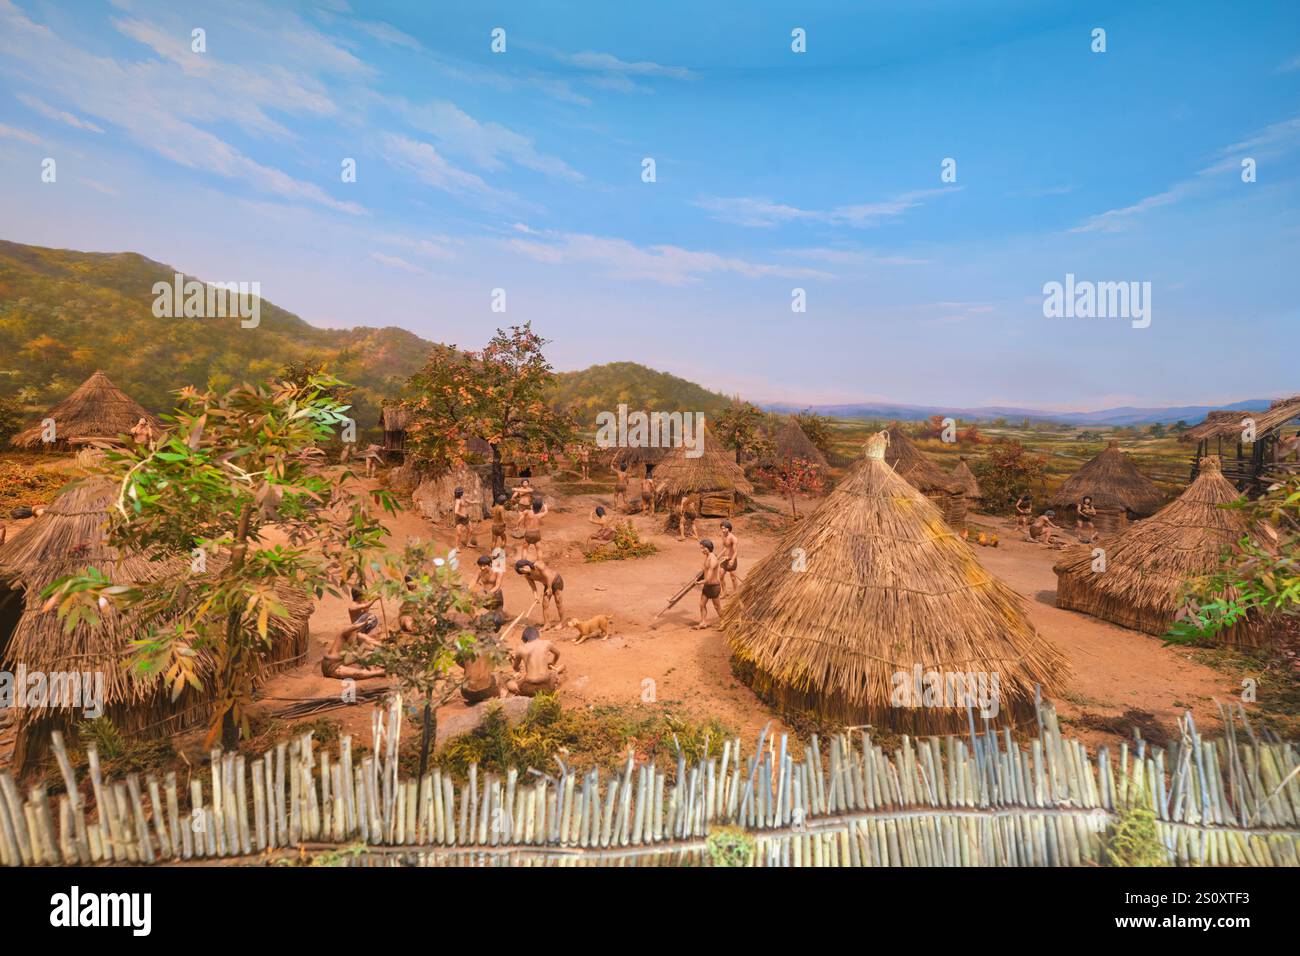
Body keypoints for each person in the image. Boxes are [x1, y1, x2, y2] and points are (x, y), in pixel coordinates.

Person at [321, 617, 387, 680]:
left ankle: (380, 667)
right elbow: (350, 628)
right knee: (358, 673)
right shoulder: (344, 634)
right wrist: (364, 622)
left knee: (369, 652)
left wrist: (386, 647)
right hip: (332, 666)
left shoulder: (359, 635)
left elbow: (373, 642)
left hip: (344, 660)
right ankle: (380, 672)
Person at [506, 626, 564, 697]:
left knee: (509, 683)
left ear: (524, 639)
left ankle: (518, 690)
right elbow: (558, 653)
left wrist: (517, 669)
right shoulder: (547, 643)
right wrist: (553, 662)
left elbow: (515, 667)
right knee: (553, 674)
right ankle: (551, 690)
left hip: (529, 687)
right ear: (538, 635)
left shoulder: (520, 649)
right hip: (547, 686)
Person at [514, 558, 565, 629]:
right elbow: (533, 587)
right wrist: (536, 597)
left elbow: (549, 576)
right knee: (545, 604)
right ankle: (547, 624)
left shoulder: (538, 565)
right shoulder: (527, 576)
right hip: (547, 584)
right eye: (522, 571)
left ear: (526, 564)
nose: (524, 570)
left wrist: (549, 588)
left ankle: (562, 623)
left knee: (558, 601)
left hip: (556, 580)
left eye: (524, 568)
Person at [694, 539, 724, 630]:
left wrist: (699, 582)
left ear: (708, 548)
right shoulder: (707, 556)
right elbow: (704, 571)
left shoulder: (713, 560)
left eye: (703, 548)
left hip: (714, 587)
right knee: (702, 604)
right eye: (701, 548)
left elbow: (708, 579)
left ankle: (724, 622)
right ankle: (703, 622)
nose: (702, 550)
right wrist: (697, 577)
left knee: (717, 606)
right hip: (707, 587)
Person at [519, 495, 548, 562]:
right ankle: (539, 562)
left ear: (532, 505)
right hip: (536, 533)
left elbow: (521, 518)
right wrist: (545, 507)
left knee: (525, 549)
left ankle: (523, 563)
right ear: (540, 507)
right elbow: (546, 512)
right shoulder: (539, 515)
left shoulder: (528, 512)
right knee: (538, 549)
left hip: (528, 533)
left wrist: (517, 526)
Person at [452, 486, 479, 551]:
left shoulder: (462, 498)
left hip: (466, 517)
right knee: (459, 533)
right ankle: (457, 547)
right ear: (461, 493)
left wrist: (475, 502)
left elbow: (468, 501)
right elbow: (456, 511)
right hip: (460, 519)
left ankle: (468, 543)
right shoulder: (458, 501)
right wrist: (462, 515)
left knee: (470, 530)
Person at [718, 519, 741, 594]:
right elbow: (725, 548)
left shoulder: (733, 538)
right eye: (722, 528)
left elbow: (736, 552)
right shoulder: (723, 536)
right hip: (724, 559)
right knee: (721, 576)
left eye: (725, 528)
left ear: (729, 528)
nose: (723, 530)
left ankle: (736, 592)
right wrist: (718, 557)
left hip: (731, 559)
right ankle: (724, 592)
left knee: (733, 577)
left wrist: (732, 560)